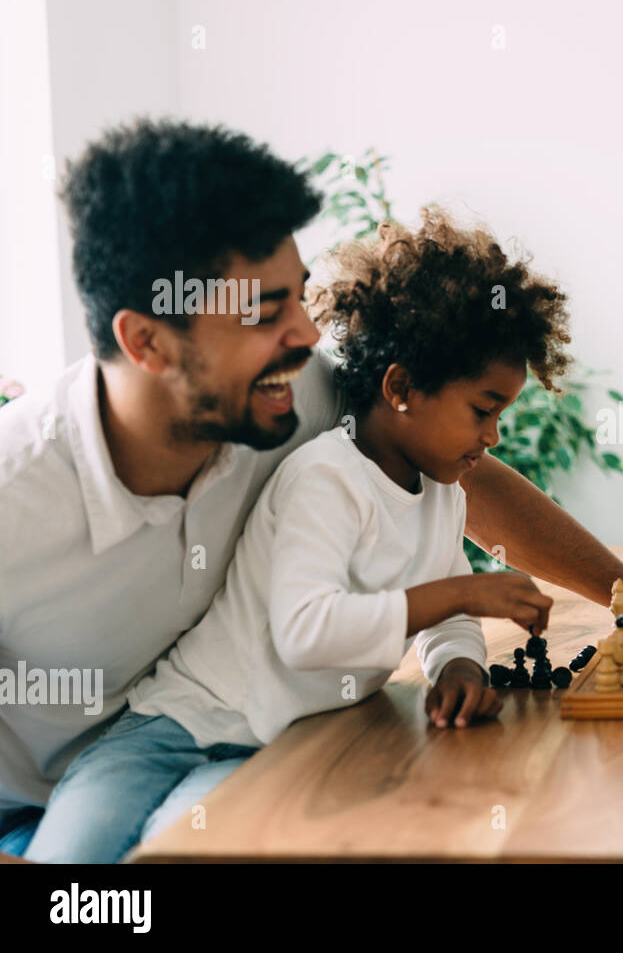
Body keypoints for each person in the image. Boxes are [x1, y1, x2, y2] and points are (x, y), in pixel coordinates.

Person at [0, 119, 623, 858]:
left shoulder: (290, 392)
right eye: (268, 313)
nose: (307, 336)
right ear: (147, 341)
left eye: (300, 297)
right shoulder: (16, 491)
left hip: (226, 751)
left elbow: (465, 490)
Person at [24, 208, 569, 863]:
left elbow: (441, 603)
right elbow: (307, 630)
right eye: (483, 411)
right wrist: (465, 592)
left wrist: (458, 662)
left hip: (271, 742)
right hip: (171, 728)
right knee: (67, 864)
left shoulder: (441, 493)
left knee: (183, 848)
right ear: (400, 388)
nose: (494, 437)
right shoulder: (326, 477)